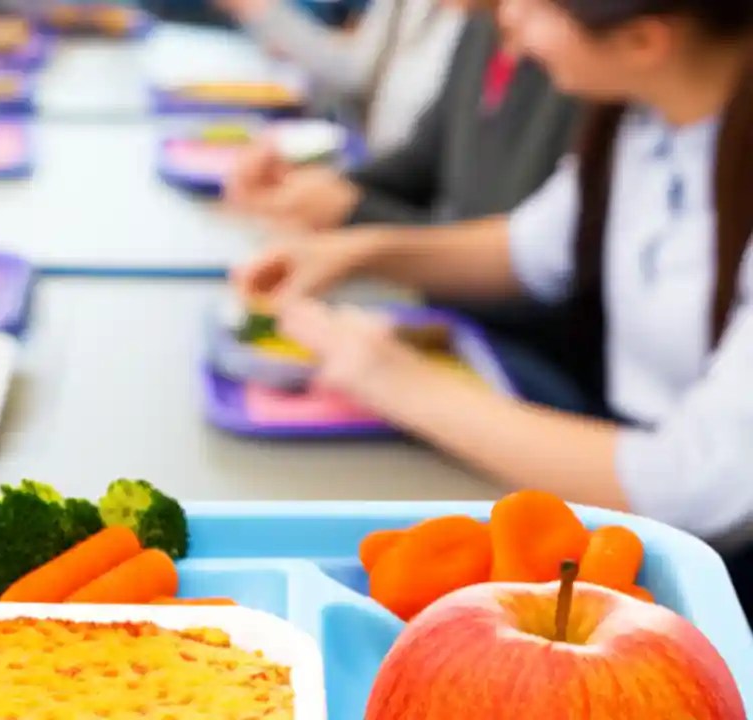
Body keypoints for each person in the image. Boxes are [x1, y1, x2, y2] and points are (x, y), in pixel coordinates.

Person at [234, 0, 753, 617]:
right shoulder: (649, 121)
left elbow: (690, 488)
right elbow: (531, 248)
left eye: (537, 10)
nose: (509, 21)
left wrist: (393, 379)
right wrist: (362, 250)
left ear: (644, 39)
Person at [225, 0, 583, 411]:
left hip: (519, 359)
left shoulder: (575, 66)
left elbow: (525, 268)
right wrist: (320, 191)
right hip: (453, 327)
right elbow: (422, 159)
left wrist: (355, 216)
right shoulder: (480, 28)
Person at [217, 0, 464, 155]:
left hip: (401, 194)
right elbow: (358, 71)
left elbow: (355, 79)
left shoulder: (468, 17)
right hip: (374, 175)